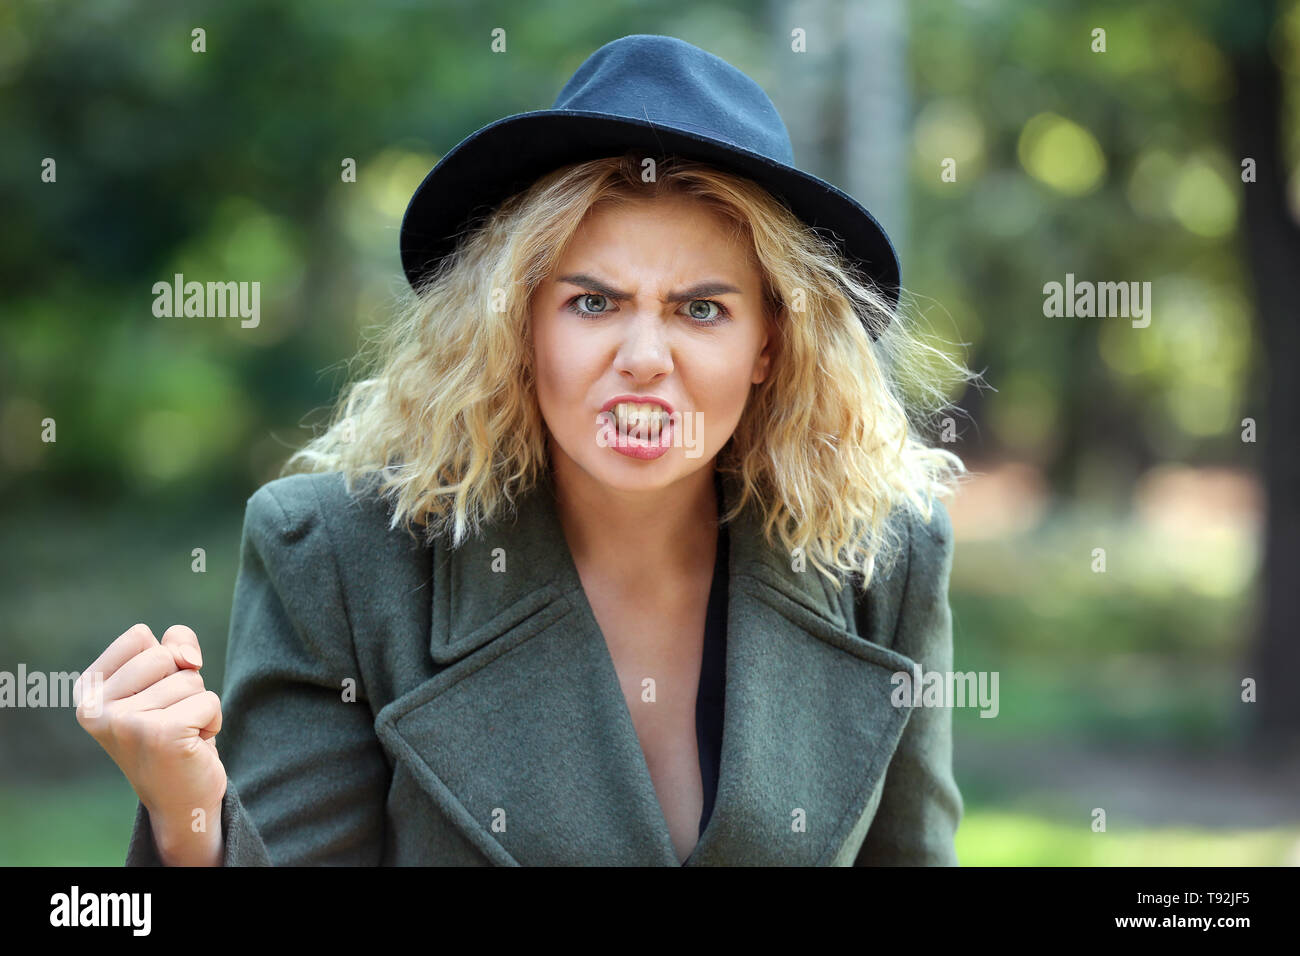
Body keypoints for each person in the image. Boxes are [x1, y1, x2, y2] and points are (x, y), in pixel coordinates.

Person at [77, 34, 977, 866]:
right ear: (519, 327)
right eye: (593, 302)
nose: (644, 360)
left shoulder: (885, 561)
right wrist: (188, 816)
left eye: (701, 309)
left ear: (770, 346)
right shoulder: (342, 561)